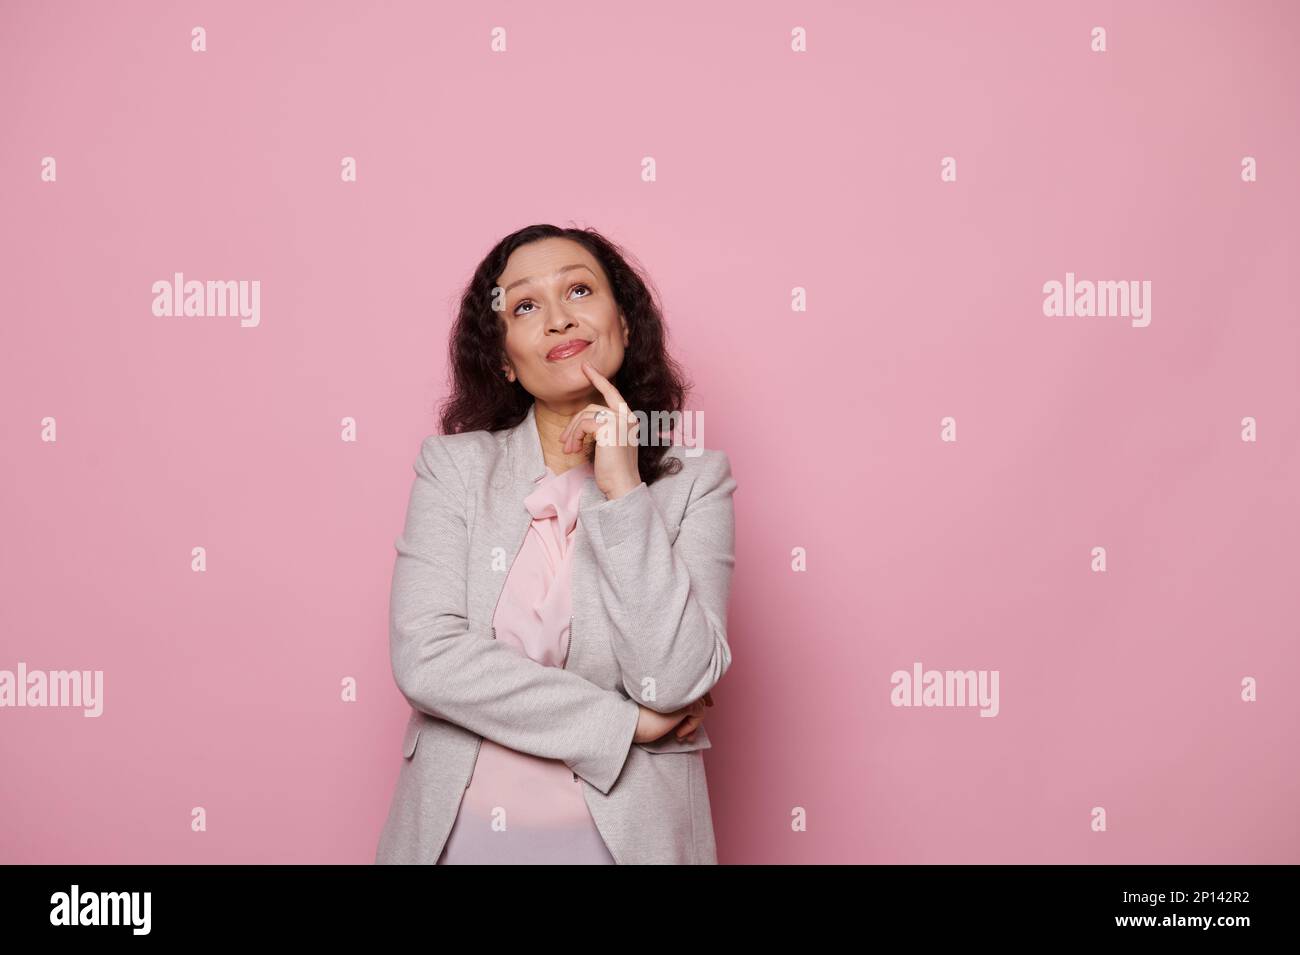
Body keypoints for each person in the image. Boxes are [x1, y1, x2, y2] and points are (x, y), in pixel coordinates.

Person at [375, 224, 737, 865]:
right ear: (504, 360)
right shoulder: (454, 469)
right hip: (463, 838)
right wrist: (623, 724)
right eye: (524, 306)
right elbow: (427, 659)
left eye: (578, 289)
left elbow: (676, 681)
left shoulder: (696, 483)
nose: (559, 318)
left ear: (624, 323)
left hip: (632, 840)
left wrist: (623, 489)